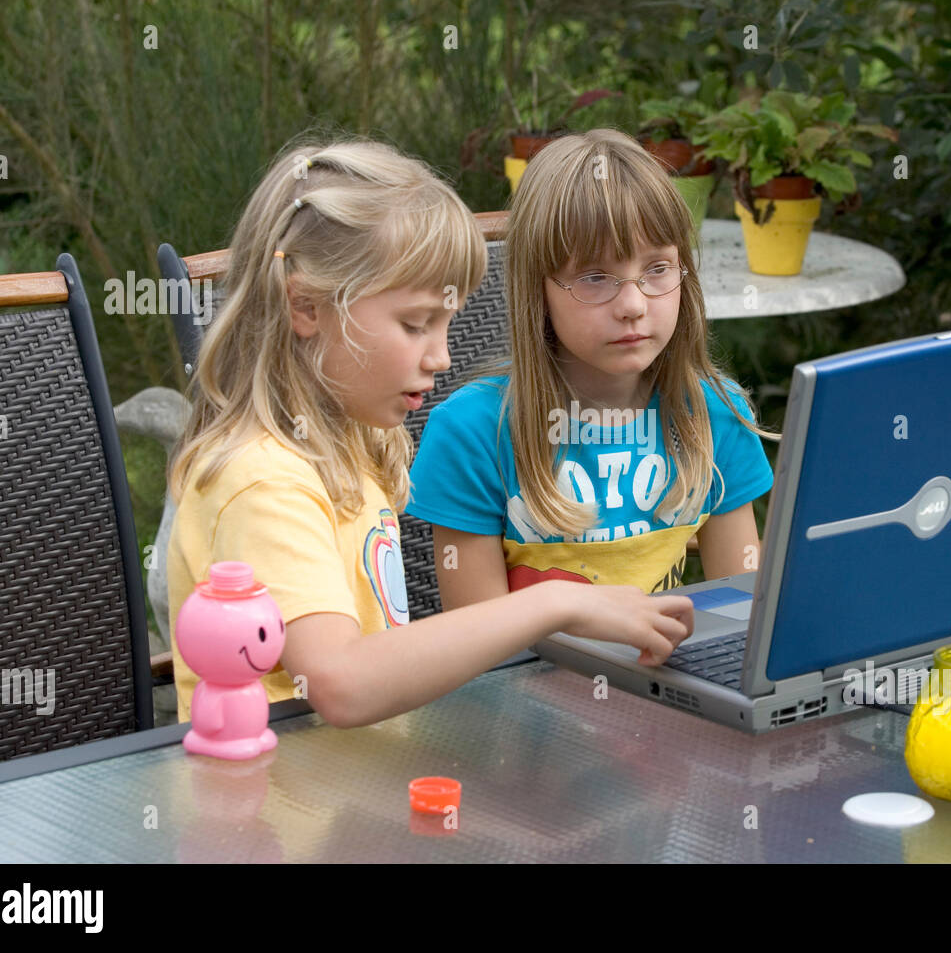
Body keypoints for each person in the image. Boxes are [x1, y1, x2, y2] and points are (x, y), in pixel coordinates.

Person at [166, 138, 694, 727]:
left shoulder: (348, 444)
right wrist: (554, 602)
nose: (441, 357)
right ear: (308, 306)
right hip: (284, 807)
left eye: (446, 324)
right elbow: (340, 684)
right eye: (416, 324)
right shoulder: (262, 480)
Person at [408, 129, 776, 609]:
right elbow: (479, 650)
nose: (632, 304)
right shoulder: (473, 432)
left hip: (664, 677)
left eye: (658, 268)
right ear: (535, 289)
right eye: (595, 277)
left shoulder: (715, 412)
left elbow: (741, 613)